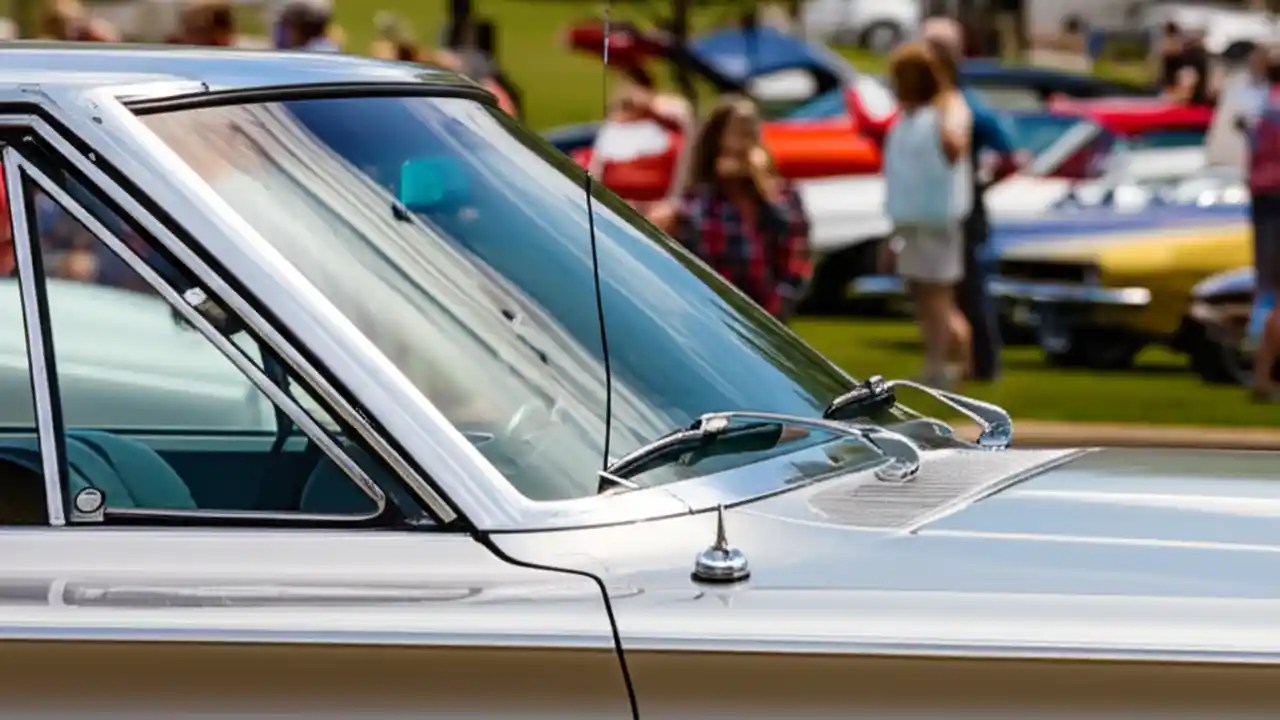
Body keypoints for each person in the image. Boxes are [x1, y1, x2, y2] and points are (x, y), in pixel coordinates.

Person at [847, 16, 1021, 382]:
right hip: (920, 215)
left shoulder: (956, 105)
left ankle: (971, 367)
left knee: (959, 291)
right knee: (928, 293)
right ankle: (955, 364)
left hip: (950, 213)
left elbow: (996, 152)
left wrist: (981, 184)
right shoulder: (913, 115)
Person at [650, 97, 811, 322]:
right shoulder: (696, 207)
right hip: (712, 319)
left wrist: (773, 311)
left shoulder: (783, 199)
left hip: (768, 320)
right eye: (730, 148)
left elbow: (797, 261)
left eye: (748, 137)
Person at [879, 41, 973, 388]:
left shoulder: (947, 108)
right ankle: (940, 361)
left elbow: (954, 148)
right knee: (923, 293)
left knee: (938, 295)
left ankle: (950, 362)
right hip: (912, 219)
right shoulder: (908, 117)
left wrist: (945, 130)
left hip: (937, 220)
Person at [1246, 49, 1280, 403]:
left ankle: (1261, 374)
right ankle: (1262, 375)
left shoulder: (1263, 106)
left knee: (1269, 293)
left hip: (1263, 200)